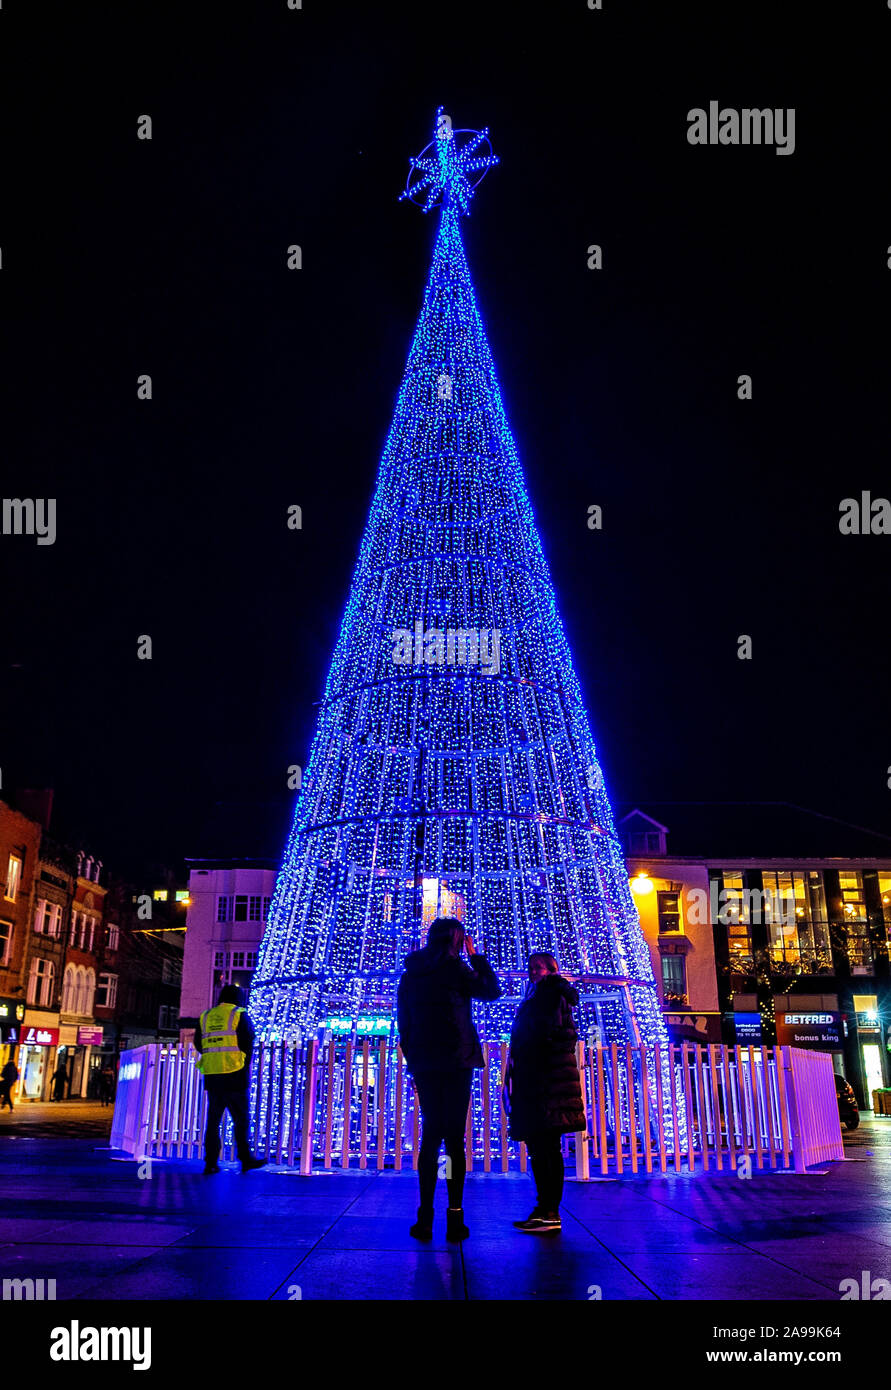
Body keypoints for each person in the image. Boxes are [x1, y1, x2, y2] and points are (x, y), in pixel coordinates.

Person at [396, 916, 501, 1242]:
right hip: (457, 1060)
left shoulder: (411, 974)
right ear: (456, 941)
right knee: (454, 1138)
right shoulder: (457, 970)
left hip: (426, 1062)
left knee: (431, 1135)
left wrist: (414, 1060)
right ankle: (455, 1216)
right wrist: (476, 956)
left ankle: (424, 1216)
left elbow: (405, 1023)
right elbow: (490, 991)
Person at [504, 952, 585, 1233]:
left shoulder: (549, 995)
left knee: (545, 1150)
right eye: (531, 968)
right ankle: (544, 1208)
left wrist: (528, 1052)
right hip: (544, 1083)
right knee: (542, 1149)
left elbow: (546, 1033)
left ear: (553, 969)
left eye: (539, 967)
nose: (534, 972)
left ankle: (549, 1211)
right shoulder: (542, 994)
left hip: (547, 1085)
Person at [194, 984, 265, 1174]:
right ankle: (245, 1159)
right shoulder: (239, 1014)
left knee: (213, 1120)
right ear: (238, 998)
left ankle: (210, 1162)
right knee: (240, 1119)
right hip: (235, 1074)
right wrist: (242, 1062)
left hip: (212, 1074)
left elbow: (198, 1044)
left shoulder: (206, 1016)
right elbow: (248, 1040)